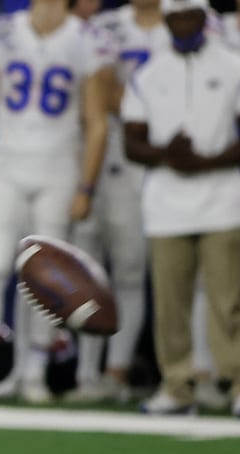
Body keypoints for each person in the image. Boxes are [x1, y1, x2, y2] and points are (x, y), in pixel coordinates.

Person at [0, 0, 111, 404]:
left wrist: (86, 186)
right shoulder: (1, 31)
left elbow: (97, 122)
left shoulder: (89, 38)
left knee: (45, 277)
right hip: (6, 165)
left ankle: (34, 372)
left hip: (58, 169)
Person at [122, 0, 240, 418]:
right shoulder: (149, 73)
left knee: (228, 299)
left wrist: (206, 162)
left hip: (223, 198)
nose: (183, 24)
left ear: (204, 18)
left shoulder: (235, 66)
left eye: (190, 16)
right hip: (166, 204)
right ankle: (177, 386)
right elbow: (132, 142)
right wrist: (168, 156)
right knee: (170, 302)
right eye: (175, 18)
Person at [64, 0, 167, 404]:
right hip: (101, 161)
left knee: (130, 269)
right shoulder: (106, 27)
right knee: (89, 272)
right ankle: (87, 372)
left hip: (153, 166)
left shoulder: (190, 21)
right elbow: (101, 94)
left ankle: (117, 372)